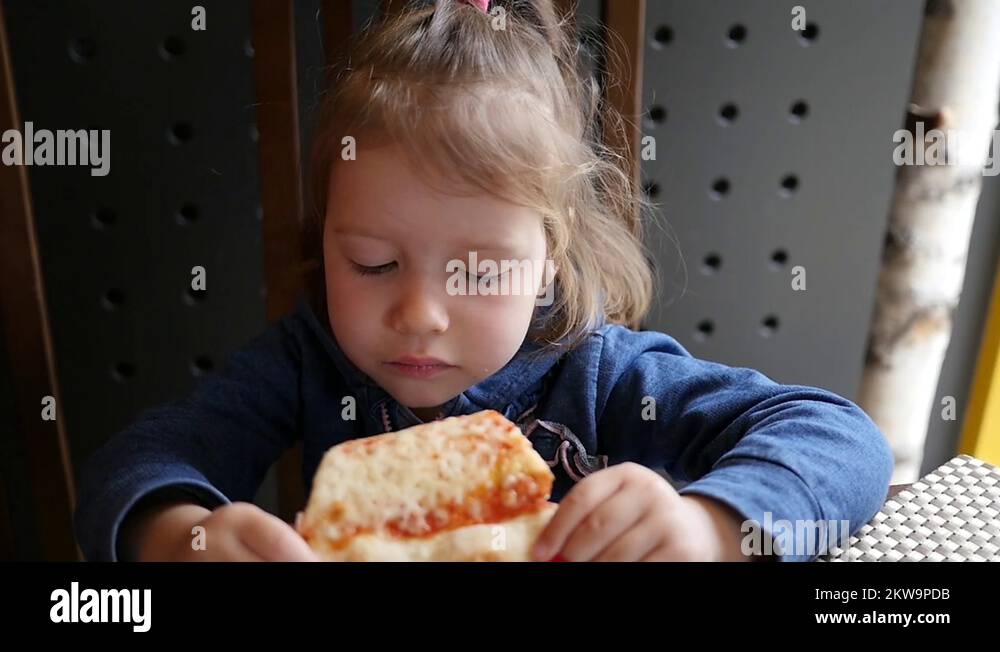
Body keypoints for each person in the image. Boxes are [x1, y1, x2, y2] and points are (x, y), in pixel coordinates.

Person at [73, 0, 893, 562]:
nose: (420, 313)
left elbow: (844, 442)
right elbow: (135, 462)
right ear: (323, 238)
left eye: (478, 269)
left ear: (548, 255)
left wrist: (710, 525)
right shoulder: (306, 362)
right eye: (372, 263)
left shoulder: (607, 373)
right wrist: (179, 532)